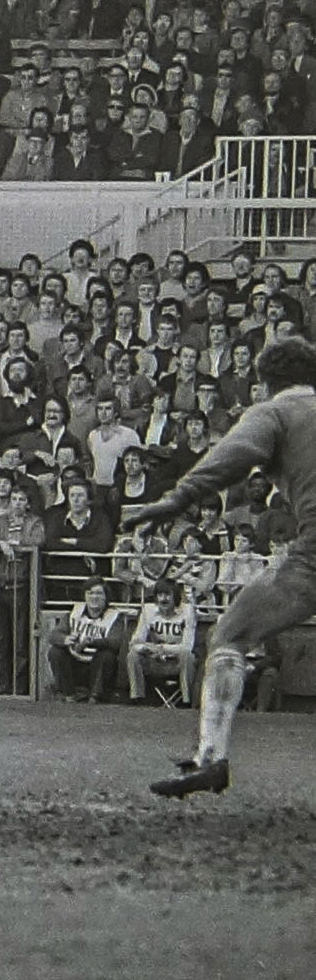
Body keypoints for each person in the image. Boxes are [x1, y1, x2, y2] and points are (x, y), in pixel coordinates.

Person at [119, 337, 316, 796]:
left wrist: (175, 500)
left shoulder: (277, 411)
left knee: (229, 636)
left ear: (266, 381)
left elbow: (232, 457)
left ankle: (211, 758)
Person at [124, 578, 199, 708]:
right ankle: (137, 698)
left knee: (189, 657)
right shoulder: (148, 610)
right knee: (133, 655)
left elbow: (187, 647)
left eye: (167, 595)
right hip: (154, 659)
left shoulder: (187, 611)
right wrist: (147, 649)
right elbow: (135, 642)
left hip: (177, 661)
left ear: (175, 597)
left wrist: (161, 648)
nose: (163, 599)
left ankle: (187, 701)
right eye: (160, 595)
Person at [53, 580, 126, 704]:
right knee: (55, 652)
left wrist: (92, 641)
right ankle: (68, 695)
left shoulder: (114, 616)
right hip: (75, 660)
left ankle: (95, 696)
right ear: (85, 596)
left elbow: (116, 641)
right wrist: (66, 639)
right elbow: (54, 634)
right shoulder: (75, 612)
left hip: (98, 665)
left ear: (106, 597)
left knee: (107, 655)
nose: (94, 597)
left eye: (99, 593)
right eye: (90, 593)